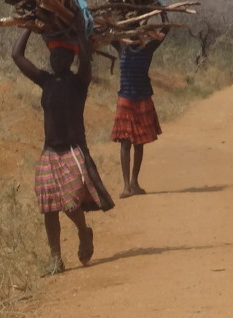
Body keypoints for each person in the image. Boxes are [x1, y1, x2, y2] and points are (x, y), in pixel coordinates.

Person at [13, 28, 115, 275]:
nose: (56, 60)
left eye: (62, 57)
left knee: (70, 205)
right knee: (48, 207)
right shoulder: (45, 80)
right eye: (53, 56)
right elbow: (17, 55)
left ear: (71, 59)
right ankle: (56, 259)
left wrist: (81, 28)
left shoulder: (80, 82)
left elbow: (86, 59)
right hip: (49, 152)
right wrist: (30, 26)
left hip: (71, 151)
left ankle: (83, 230)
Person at [110, 23, 169, 197]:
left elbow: (166, 30)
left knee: (139, 142)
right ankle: (126, 185)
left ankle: (134, 182)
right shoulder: (122, 47)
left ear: (142, 32)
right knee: (125, 142)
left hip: (142, 98)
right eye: (132, 30)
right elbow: (103, 32)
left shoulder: (148, 49)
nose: (135, 34)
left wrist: (161, 8)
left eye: (137, 30)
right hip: (126, 99)